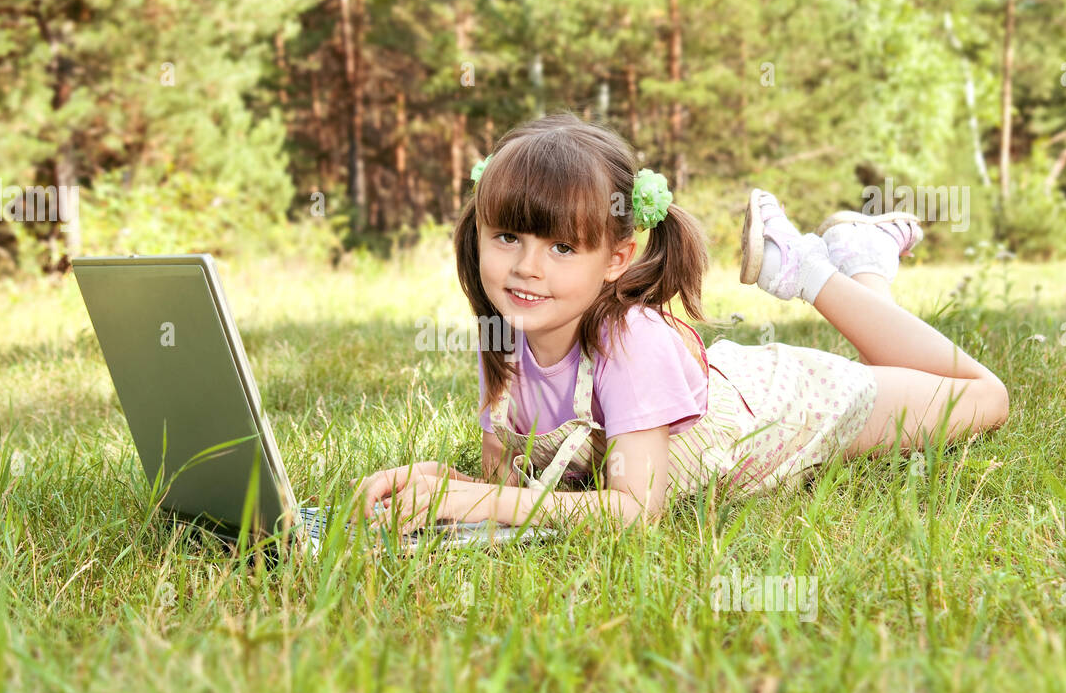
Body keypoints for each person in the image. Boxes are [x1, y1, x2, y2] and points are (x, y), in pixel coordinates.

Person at [352, 112, 1009, 533]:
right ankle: (865, 257)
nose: (526, 268)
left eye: (560, 247)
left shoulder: (628, 344)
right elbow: (514, 488)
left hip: (790, 408)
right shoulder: (506, 333)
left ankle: (807, 269)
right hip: (718, 384)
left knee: (981, 398)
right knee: (901, 369)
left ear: (617, 258)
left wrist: (475, 504)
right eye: (507, 237)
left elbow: (637, 512)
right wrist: (439, 483)